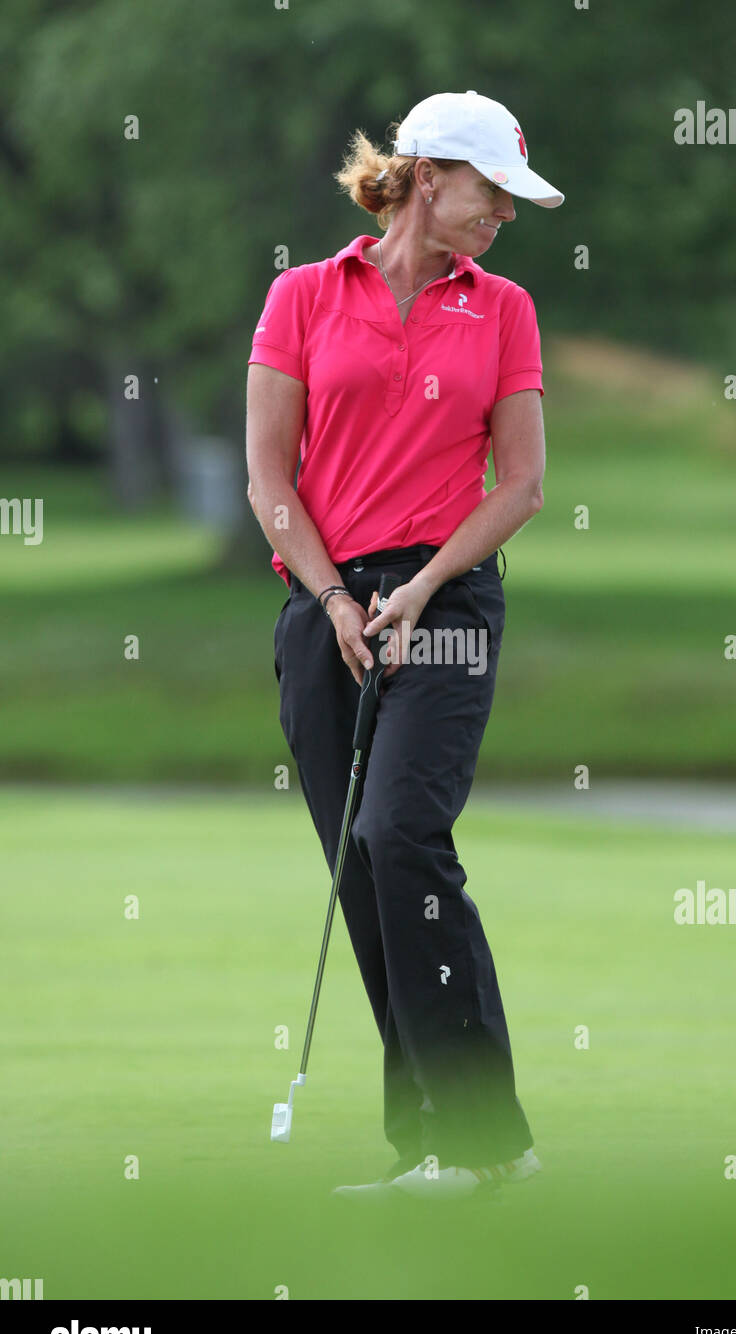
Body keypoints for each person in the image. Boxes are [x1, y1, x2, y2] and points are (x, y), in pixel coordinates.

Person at [246, 90, 563, 1200]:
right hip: (323, 608)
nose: (505, 216)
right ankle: (429, 1140)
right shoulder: (301, 296)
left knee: (401, 832)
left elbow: (521, 484)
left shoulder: (503, 308)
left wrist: (422, 587)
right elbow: (269, 479)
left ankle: (486, 1140)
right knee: (362, 862)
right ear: (429, 176)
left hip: (447, 597)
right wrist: (335, 601)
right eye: (492, 193)